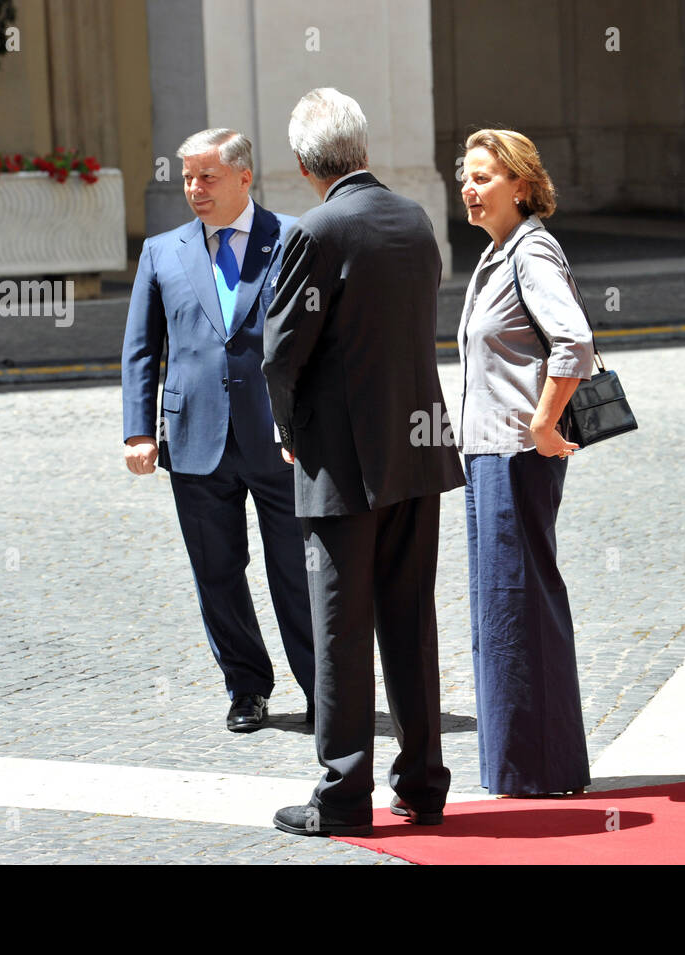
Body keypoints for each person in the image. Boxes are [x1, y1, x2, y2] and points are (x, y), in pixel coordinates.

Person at [263, 88, 464, 837]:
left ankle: (343, 796)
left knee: (341, 631)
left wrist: (288, 430)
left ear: (304, 161)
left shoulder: (316, 231)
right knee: (410, 623)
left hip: (343, 461)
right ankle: (424, 783)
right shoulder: (413, 219)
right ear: (362, 147)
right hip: (417, 449)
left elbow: (279, 355)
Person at [121, 128, 315, 733]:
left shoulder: (290, 239)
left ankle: (323, 689)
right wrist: (138, 431)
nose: (195, 189)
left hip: (281, 440)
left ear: (243, 177)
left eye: (207, 176)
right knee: (217, 571)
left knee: (297, 569)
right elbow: (140, 348)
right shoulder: (162, 251)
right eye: (187, 177)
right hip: (195, 439)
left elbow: (316, 339)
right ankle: (247, 687)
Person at [456, 129, 594, 795]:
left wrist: (543, 422)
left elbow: (574, 342)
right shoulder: (497, 254)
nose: (469, 188)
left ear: (521, 185)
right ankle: (516, 762)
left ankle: (541, 764)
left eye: (483, 176)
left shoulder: (531, 251)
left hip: (516, 455)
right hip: (488, 453)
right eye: (466, 176)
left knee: (521, 603)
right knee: (501, 606)